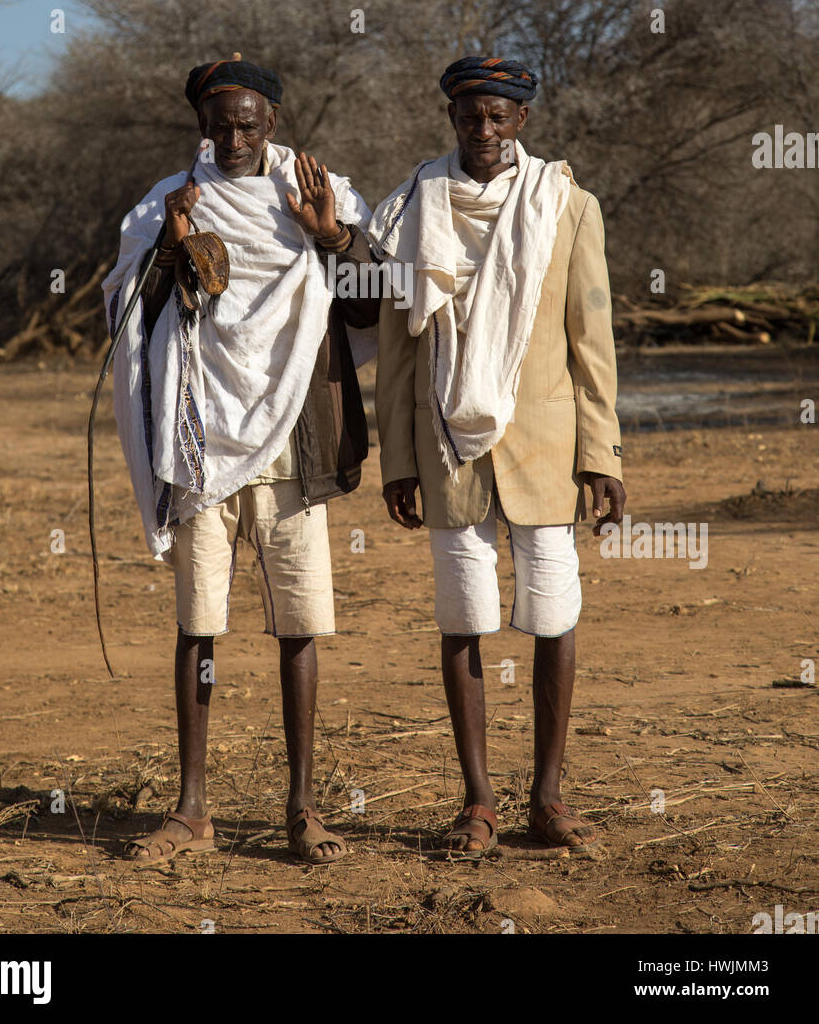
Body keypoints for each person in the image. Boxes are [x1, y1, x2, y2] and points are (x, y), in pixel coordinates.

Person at [102, 55, 378, 865]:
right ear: (202, 126)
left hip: (296, 437)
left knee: (299, 628)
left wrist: (331, 235)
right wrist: (170, 245)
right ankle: (191, 811)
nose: (232, 138)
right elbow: (127, 315)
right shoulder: (165, 201)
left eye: (247, 124)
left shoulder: (322, 191)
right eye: (218, 125)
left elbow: (373, 303)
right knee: (199, 627)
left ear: (273, 124)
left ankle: (302, 808)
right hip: (198, 443)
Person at [371, 56, 625, 857]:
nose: (482, 131)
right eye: (468, 117)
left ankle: (547, 799)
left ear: (521, 120)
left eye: (497, 117)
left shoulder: (567, 205)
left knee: (553, 614)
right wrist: (395, 460)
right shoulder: (413, 208)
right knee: (463, 618)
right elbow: (397, 348)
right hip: (443, 441)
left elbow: (591, 339)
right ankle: (477, 803)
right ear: (451, 118)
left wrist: (603, 454)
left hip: (544, 446)